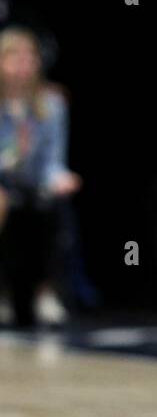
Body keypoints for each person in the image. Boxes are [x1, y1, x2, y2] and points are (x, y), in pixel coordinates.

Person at [0, 28, 81, 328]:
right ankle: (4, 292)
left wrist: (60, 177)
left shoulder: (53, 105)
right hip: (3, 184)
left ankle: (46, 291)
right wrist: (12, 156)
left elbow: (52, 160)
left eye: (30, 57)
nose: (24, 64)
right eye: (14, 57)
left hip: (34, 185)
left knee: (57, 198)